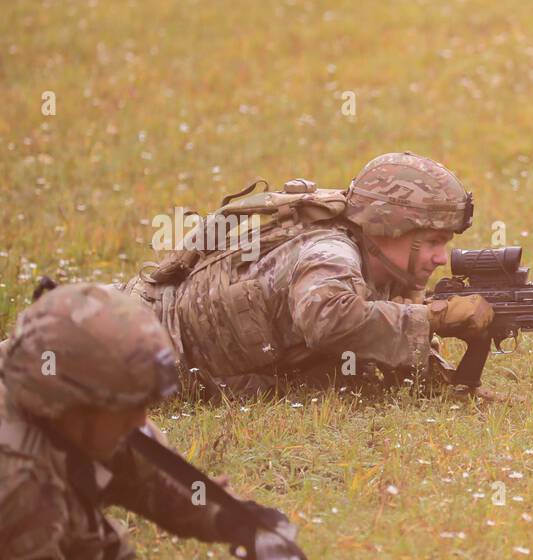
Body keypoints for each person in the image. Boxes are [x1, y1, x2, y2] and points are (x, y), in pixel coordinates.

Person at [125, 151, 493, 399]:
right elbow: (328, 320)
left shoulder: (380, 262)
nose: (441, 258)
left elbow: (377, 338)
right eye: (431, 241)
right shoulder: (331, 254)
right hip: (129, 341)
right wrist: (434, 318)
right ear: (388, 228)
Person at [0, 283, 266, 560]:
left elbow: (154, 482)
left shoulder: (74, 414)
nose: (140, 420)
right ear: (73, 404)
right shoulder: (15, 473)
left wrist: (234, 518)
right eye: (127, 406)